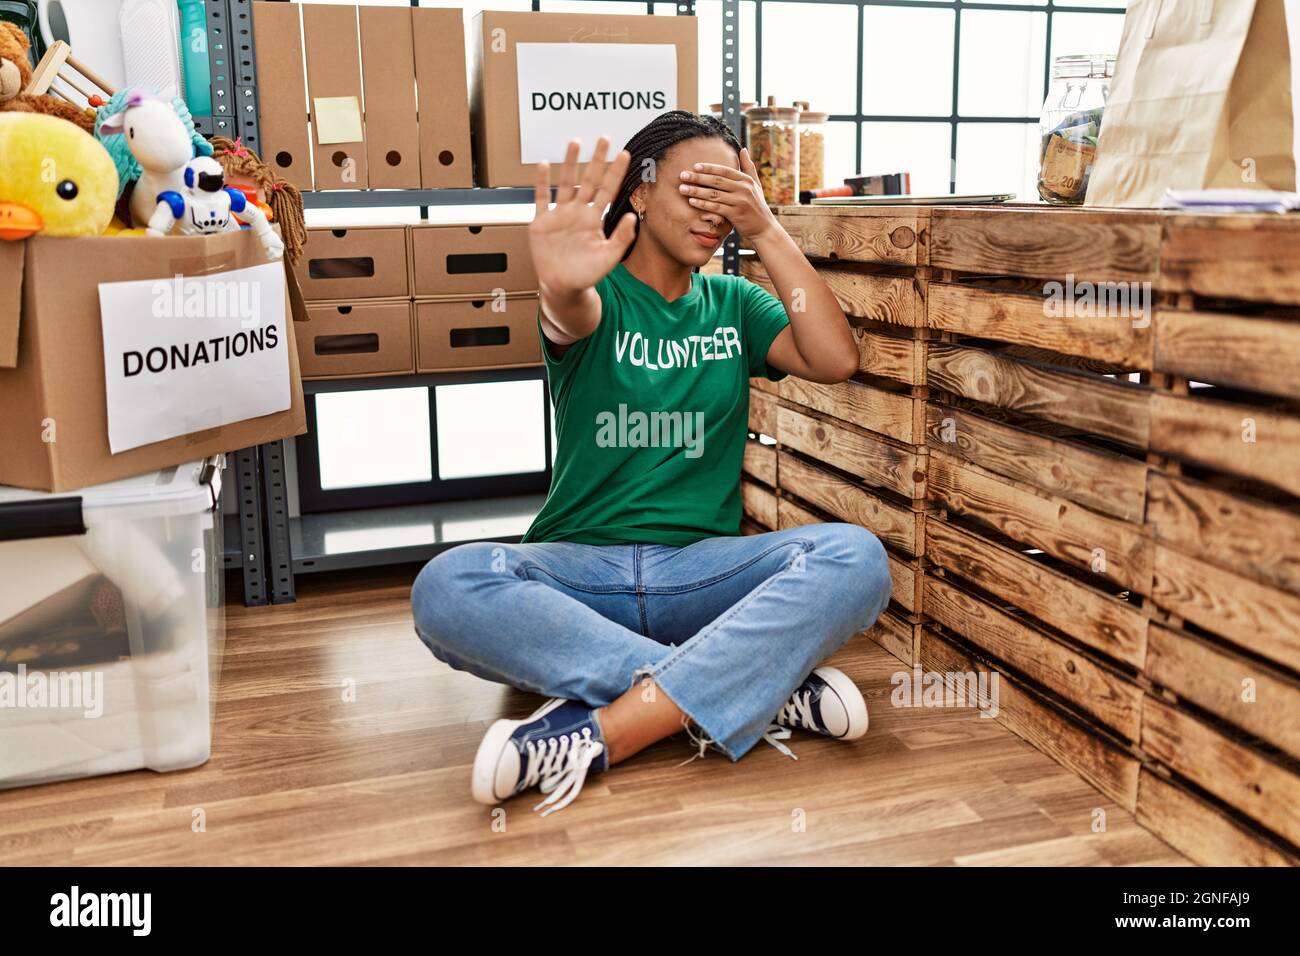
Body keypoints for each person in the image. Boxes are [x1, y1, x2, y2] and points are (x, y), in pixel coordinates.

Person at [411, 110, 892, 815]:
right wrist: (560, 285)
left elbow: (834, 358)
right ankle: (756, 689)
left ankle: (603, 730)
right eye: (700, 190)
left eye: (733, 195)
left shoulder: (735, 306)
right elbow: (570, 312)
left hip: (701, 575)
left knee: (856, 558)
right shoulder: (596, 297)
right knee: (447, 584)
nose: (717, 214)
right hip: (578, 573)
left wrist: (766, 228)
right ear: (638, 192)